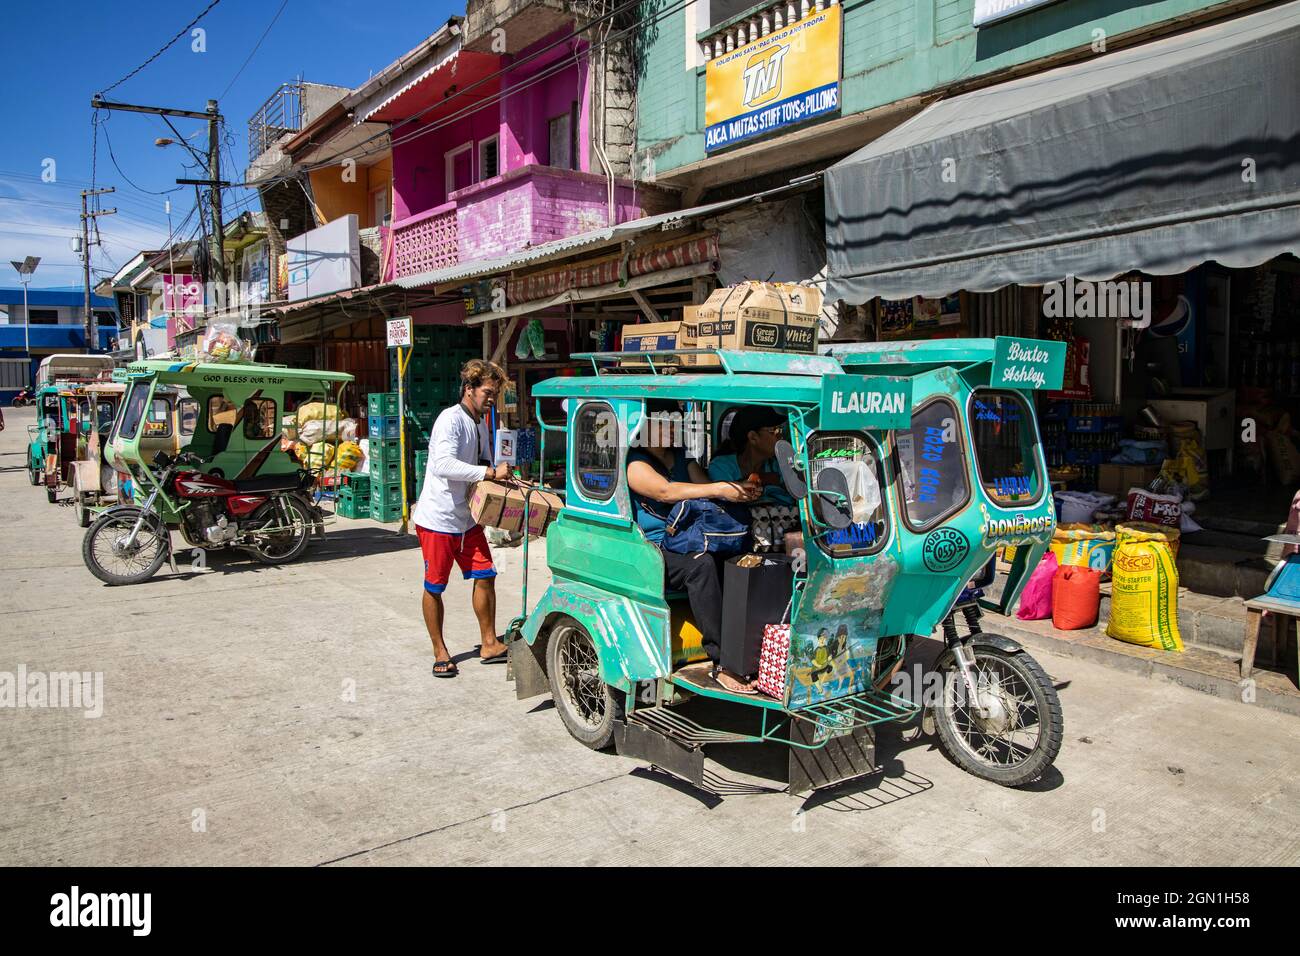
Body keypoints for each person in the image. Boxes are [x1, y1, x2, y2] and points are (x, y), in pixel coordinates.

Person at [626, 401, 761, 694]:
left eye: (675, 420)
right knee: (701, 566)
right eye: (663, 421)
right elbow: (665, 491)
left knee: (745, 561)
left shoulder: (681, 457)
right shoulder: (635, 461)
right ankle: (722, 664)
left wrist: (736, 490)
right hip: (653, 551)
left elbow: (707, 488)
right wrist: (719, 488)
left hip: (691, 538)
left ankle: (752, 651)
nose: (672, 427)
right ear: (643, 424)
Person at [411, 359, 511, 678]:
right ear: (469, 390)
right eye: (487, 392)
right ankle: (440, 650)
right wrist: (489, 471)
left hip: (467, 520)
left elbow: (477, 461)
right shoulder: (449, 420)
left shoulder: (479, 422)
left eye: (495, 393)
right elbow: (442, 464)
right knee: (435, 587)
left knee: (487, 574)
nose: (491, 398)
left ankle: (489, 642)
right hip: (438, 521)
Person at [707, 406, 793, 504]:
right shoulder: (721, 466)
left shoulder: (777, 464)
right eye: (774, 431)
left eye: (780, 429)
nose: (780, 436)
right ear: (753, 437)